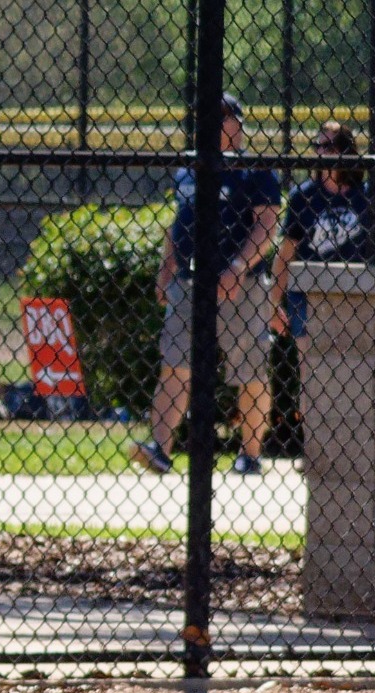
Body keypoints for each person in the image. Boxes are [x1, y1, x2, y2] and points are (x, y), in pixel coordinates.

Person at [133, 93, 282, 477]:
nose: (211, 123)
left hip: (241, 284)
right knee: (175, 365)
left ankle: (250, 455)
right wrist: (167, 267)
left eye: (221, 116)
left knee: (249, 371)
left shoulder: (256, 169)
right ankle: (161, 450)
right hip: (190, 281)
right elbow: (179, 222)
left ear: (239, 123)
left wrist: (237, 266)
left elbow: (267, 225)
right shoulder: (190, 168)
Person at [268, 122, 367, 381]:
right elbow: (286, 253)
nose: (323, 152)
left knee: (354, 373)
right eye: (318, 146)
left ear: (347, 151)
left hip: (354, 291)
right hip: (309, 292)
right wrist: (272, 303)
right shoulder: (304, 196)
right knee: (311, 373)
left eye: (330, 146)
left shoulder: (366, 197)